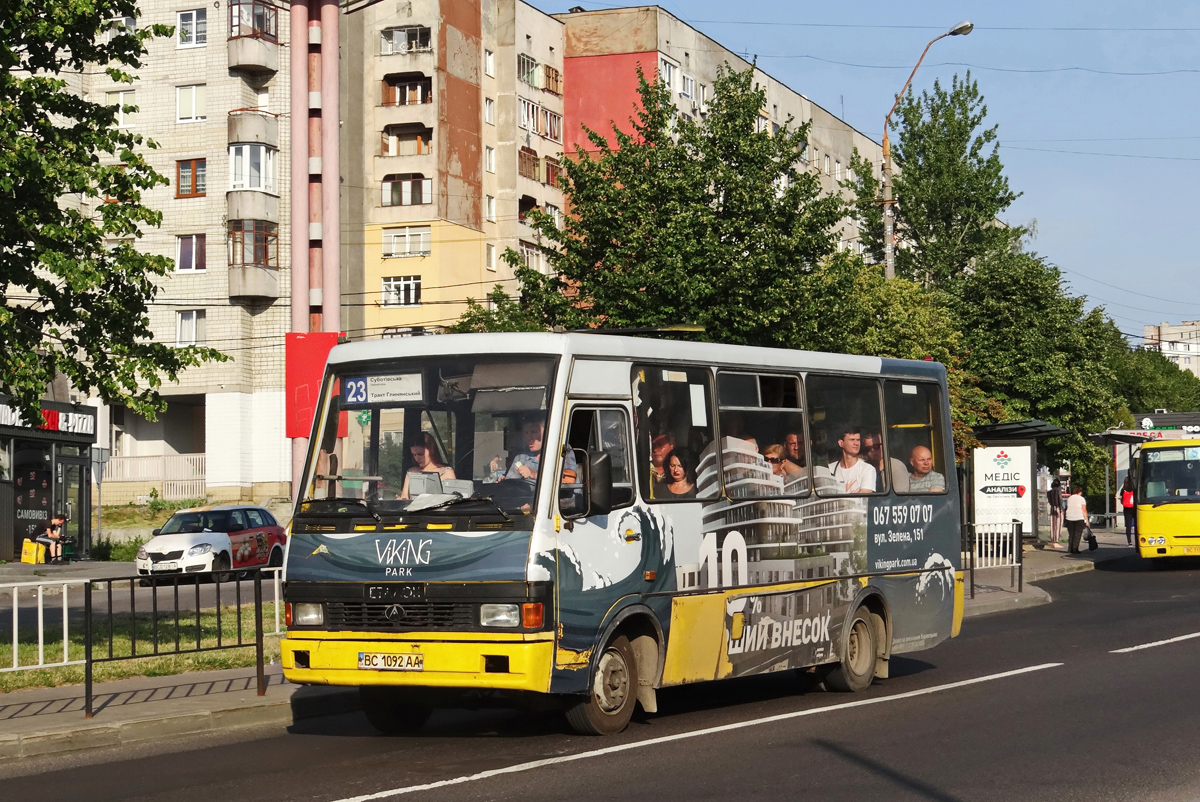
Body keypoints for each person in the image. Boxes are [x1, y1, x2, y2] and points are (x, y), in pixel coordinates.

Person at [501, 417, 576, 483]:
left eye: (533, 432)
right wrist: (505, 482)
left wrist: (535, 475)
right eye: (526, 433)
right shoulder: (521, 457)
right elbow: (512, 481)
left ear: (547, 432)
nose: (529, 437)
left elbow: (570, 479)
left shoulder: (560, 449)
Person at [400, 433, 456, 498]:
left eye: (421, 454)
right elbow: (404, 497)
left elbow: (452, 499)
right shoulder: (411, 472)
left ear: (431, 450)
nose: (417, 458)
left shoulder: (446, 472)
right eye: (414, 455)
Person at [829, 428, 876, 494]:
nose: (856, 443)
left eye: (858, 440)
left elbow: (864, 493)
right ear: (841, 443)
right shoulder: (830, 469)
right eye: (852, 440)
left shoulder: (867, 469)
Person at [1064, 486, 1088, 554]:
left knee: (1071, 534)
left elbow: (1067, 508)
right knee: (1077, 534)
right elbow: (1084, 510)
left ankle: (1070, 548)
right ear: (1079, 492)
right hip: (1079, 517)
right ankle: (1075, 549)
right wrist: (1086, 520)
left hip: (1069, 517)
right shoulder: (1082, 499)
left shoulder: (1069, 498)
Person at [1047, 479, 1064, 550]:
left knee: (1053, 525)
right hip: (1058, 509)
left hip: (1052, 508)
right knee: (1058, 525)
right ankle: (1056, 541)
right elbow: (1060, 501)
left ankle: (1053, 540)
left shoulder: (1049, 492)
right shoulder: (1058, 492)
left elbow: (1049, 501)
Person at [1121, 475, 1136, 546]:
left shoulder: (1123, 489)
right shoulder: (1134, 488)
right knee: (1137, 524)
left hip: (1126, 509)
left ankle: (1129, 541)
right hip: (1134, 508)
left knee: (1128, 526)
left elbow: (1122, 501)